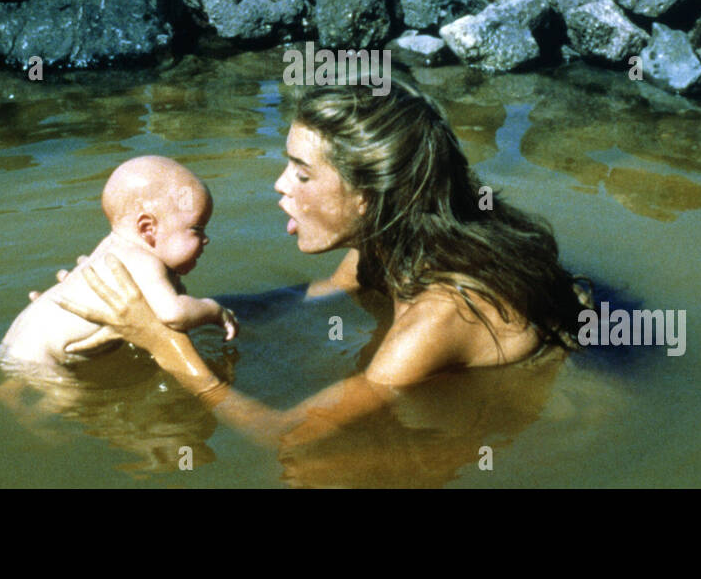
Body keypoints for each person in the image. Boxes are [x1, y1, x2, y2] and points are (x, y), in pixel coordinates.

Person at [48, 80, 588, 448]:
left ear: (368, 198)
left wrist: (161, 342)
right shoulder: (389, 244)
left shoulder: (439, 317)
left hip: (573, 396)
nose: (281, 185)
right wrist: (138, 304)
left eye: (303, 175)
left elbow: (287, 433)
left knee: (305, 469)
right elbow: (312, 298)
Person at [0, 154, 236, 372]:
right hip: (42, 358)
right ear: (147, 228)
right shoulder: (144, 262)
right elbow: (173, 314)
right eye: (197, 228)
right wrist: (214, 311)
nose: (206, 239)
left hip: (20, 340)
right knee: (78, 404)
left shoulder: (109, 249)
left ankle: (8, 393)